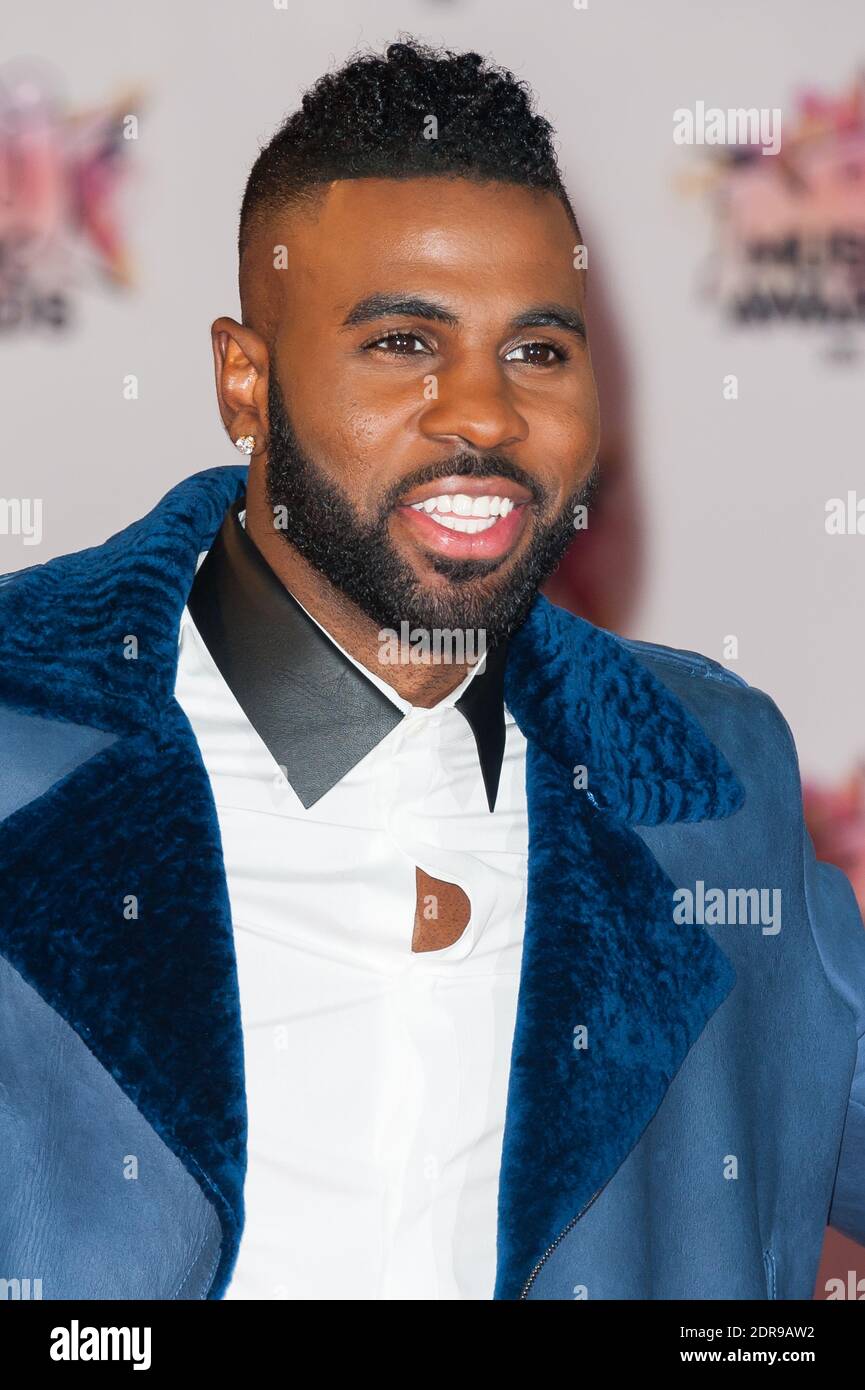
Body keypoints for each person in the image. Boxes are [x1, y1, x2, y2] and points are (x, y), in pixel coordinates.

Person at [0, 36, 862, 1303]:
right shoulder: (25, 744)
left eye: (539, 350)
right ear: (245, 382)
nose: (484, 413)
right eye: (404, 343)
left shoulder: (707, 779)